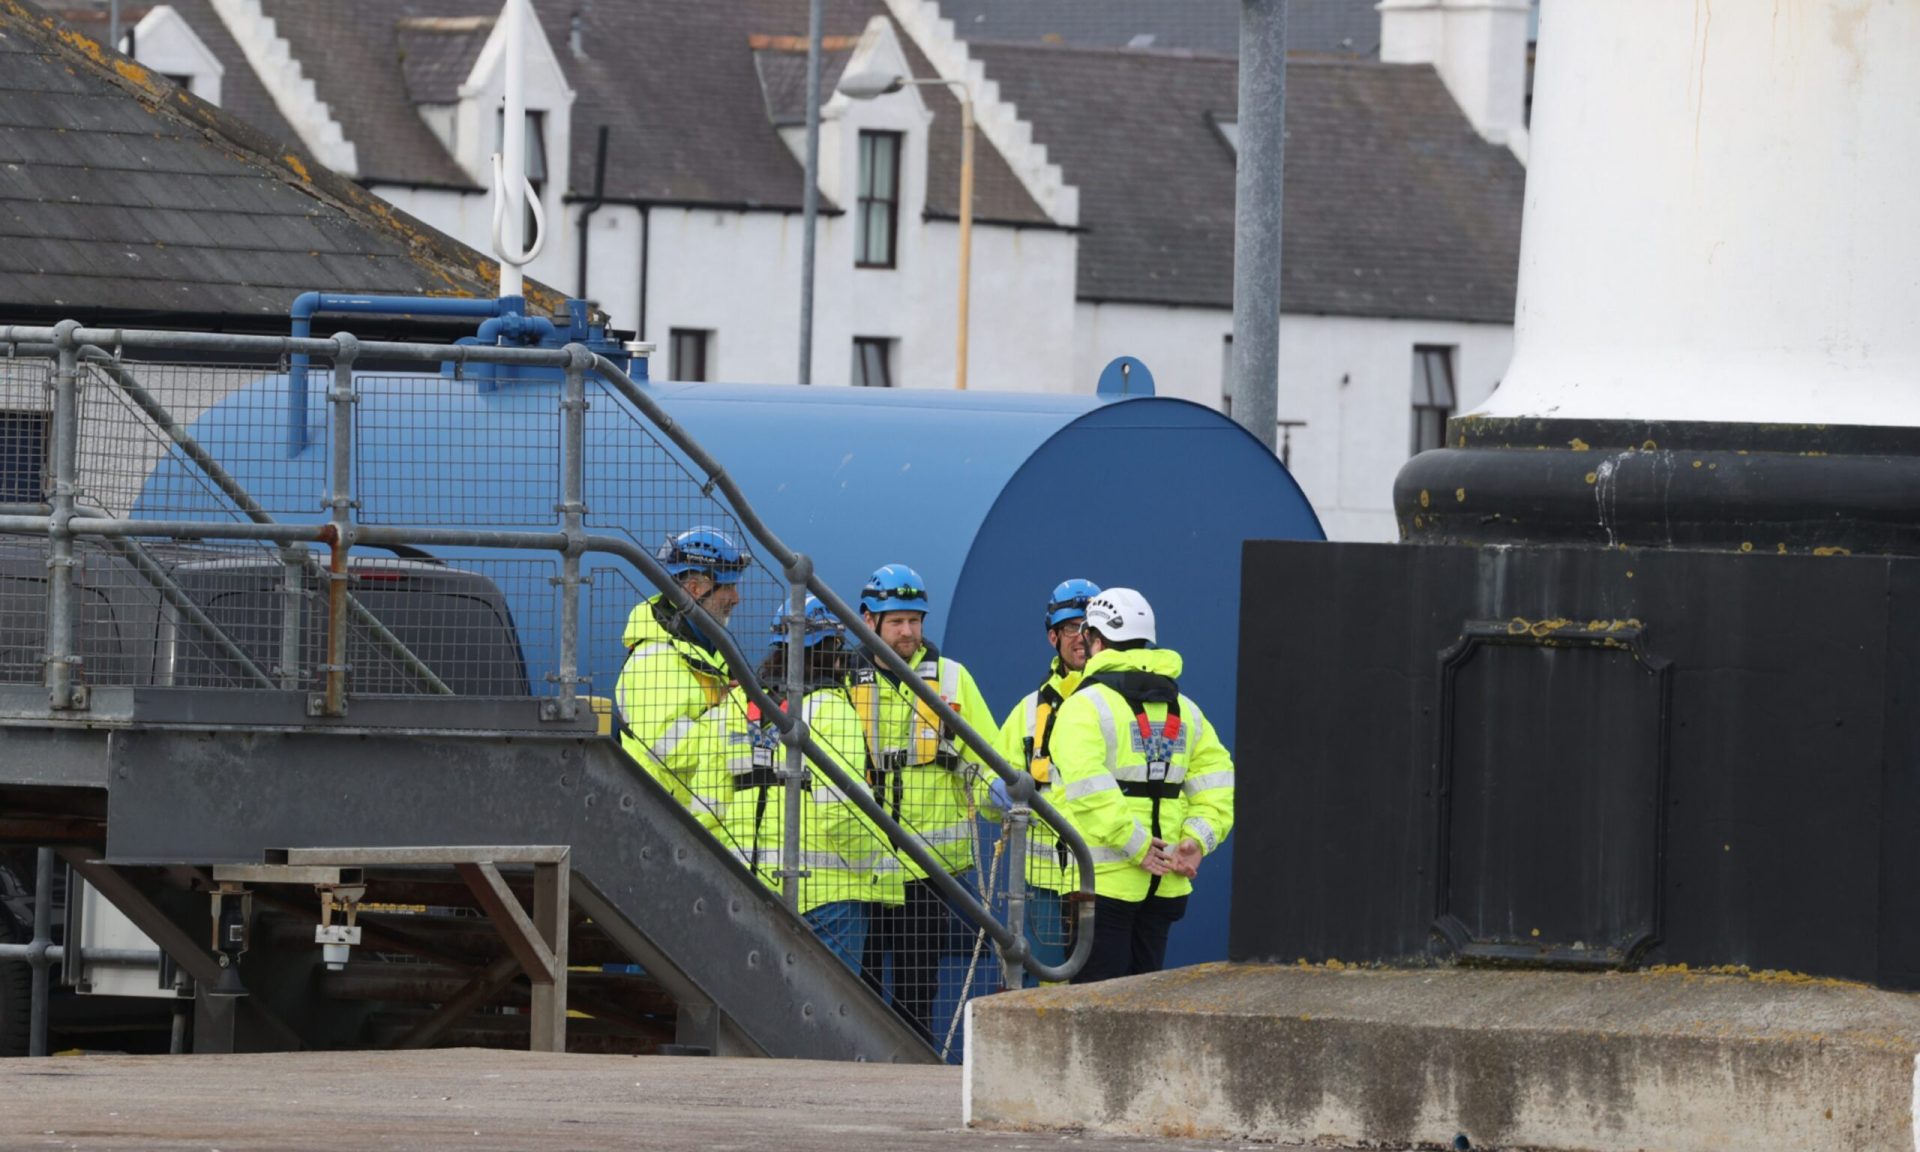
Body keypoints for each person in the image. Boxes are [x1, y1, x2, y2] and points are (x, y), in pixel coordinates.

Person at [1047, 587, 1235, 983]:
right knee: (1141, 1009)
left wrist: (1133, 844)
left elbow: (1087, 785)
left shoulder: (1085, 705)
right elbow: (1217, 783)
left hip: (1099, 883)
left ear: (1094, 640)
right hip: (1166, 881)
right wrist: (1196, 841)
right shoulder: (1186, 709)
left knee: (1093, 1013)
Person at [694, 597, 889, 970]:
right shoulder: (832, 709)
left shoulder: (738, 704)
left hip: (746, 886)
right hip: (828, 895)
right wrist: (870, 865)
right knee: (829, 1008)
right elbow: (840, 808)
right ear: (832, 649)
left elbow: (706, 804)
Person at [847, 562, 995, 1043]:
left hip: (930, 868)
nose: (909, 631)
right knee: (859, 987)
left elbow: (989, 754)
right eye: (897, 621)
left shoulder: (952, 679)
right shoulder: (843, 679)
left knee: (918, 990)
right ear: (869, 621)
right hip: (861, 864)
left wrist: (1002, 801)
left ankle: (911, 1077)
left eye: (915, 619)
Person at [991, 578, 1101, 980]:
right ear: (1053, 636)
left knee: (1099, 991)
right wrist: (996, 790)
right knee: (1041, 994)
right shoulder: (1028, 710)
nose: (1082, 639)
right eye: (1073, 628)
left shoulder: (1120, 705)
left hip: (1103, 878)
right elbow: (990, 772)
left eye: (1090, 629)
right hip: (1041, 887)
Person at [615, 526, 748, 811]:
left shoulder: (710, 650)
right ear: (694, 589)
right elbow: (672, 751)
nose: (737, 598)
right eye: (728, 586)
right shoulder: (654, 660)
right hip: (664, 823)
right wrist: (738, 719)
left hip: (698, 824)